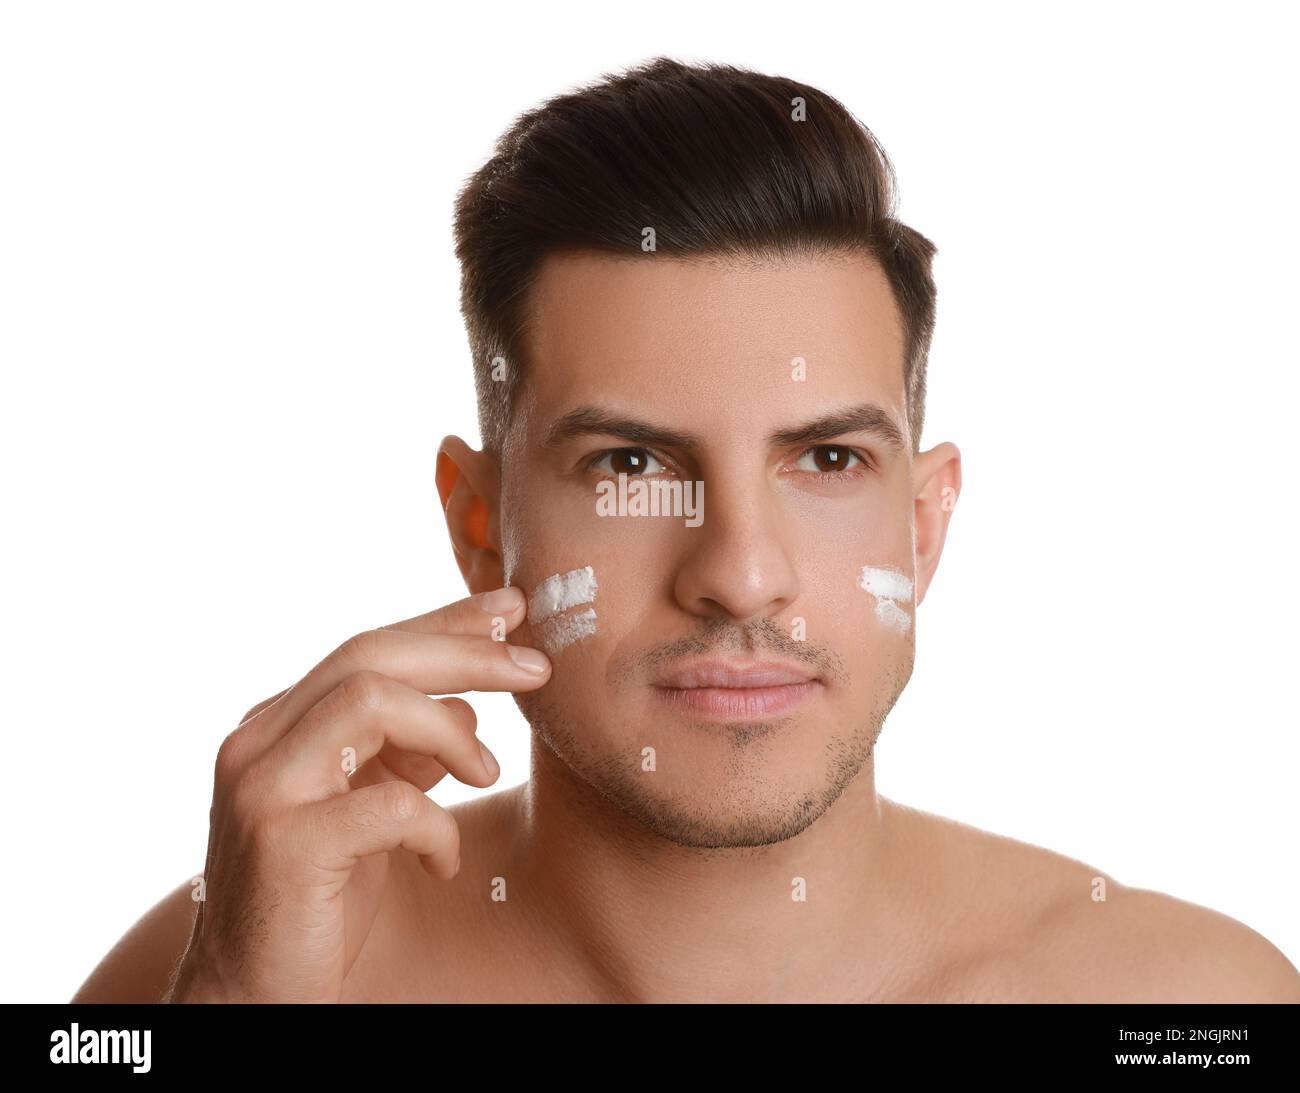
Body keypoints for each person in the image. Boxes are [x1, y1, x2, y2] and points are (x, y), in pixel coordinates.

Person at [73, 56, 1300, 1003]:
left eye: (826, 458)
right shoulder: (238, 964)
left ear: (924, 528)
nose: (739, 575)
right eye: (630, 463)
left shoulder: (1179, 1006)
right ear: (482, 525)